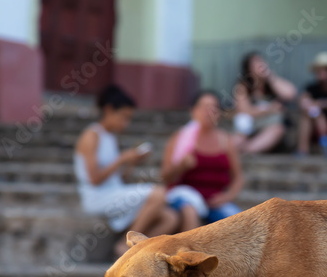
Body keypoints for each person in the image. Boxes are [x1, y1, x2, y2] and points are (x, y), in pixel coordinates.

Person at [74, 84, 179, 256]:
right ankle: (125, 245)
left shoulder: (110, 137)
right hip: (97, 197)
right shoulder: (91, 136)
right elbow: (94, 179)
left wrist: (131, 162)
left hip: (113, 192)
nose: (126, 123)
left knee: (170, 218)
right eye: (124, 117)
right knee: (158, 193)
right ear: (108, 110)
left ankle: (134, 253)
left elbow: (117, 178)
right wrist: (121, 159)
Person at [163, 91, 244, 231]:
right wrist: (181, 166)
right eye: (204, 107)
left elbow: (238, 177)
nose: (209, 112)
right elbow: (165, 176)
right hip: (186, 197)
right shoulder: (181, 138)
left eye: (214, 108)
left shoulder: (226, 140)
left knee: (240, 225)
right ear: (193, 111)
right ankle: (189, 253)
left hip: (215, 201)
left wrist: (226, 196)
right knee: (190, 210)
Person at [232, 52, 297, 154]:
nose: (261, 65)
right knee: (240, 128)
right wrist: (270, 109)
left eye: (261, 62)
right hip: (249, 127)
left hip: (270, 127)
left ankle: (246, 150)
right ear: (248, 69)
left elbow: (291, 94)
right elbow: (244, 110)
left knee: (278, 129)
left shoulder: (272, 83)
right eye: (255, 63)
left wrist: (271, 77)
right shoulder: (243, 86)